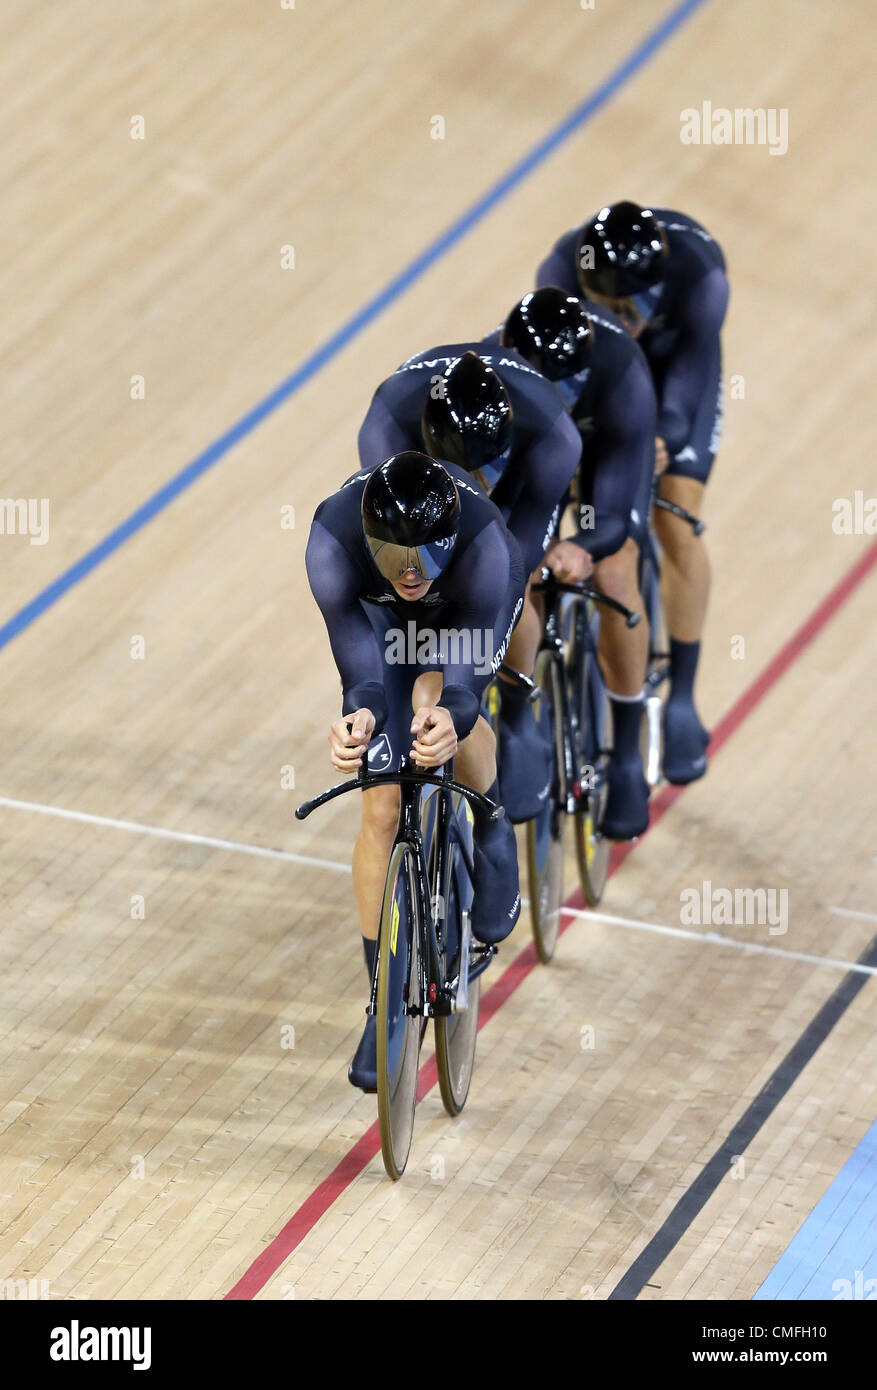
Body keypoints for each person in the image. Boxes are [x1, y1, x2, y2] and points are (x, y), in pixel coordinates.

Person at [305, 451, 524, 1089]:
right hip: (383, 630)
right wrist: (358, 721)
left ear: (448, 542)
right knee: (379, 806)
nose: (410, 571)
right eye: (395, 556)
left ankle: (491, 822)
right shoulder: (331, 541)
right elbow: (362, 675)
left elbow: (464, 689)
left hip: (464, 615)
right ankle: (384, 1000)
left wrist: (453, 714)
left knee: (443, 704)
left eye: (426, 555)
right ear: (368, 540)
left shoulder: (483, 547)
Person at [537, 202, 729, 783]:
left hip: (672, 375)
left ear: (659, 289)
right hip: (600, 383)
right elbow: (550, 381)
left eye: (634, 308)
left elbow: (692, 371)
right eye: (608, 306)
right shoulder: (560, 272)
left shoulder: (700, 277)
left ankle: (682, 700)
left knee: (675, 518)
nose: (623, 318)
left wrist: (667, 434)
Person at [359, 345, 581, 824]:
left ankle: (520, 715)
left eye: (484, 472)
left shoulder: (551, 436)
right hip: (425, 493)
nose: (474, 482)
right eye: (465, 472)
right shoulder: (386, 425)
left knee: (511, 583)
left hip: (517, 491)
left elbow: (511, 564)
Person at [499, 287, 657, 836]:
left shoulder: (617, 372)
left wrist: (582, 545)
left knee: (612, 568)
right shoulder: (493, 376)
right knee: (515, 570)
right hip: (530, 452)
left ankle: (629, 749)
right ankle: (521, 690)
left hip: (602, 447)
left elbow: (613, 517)